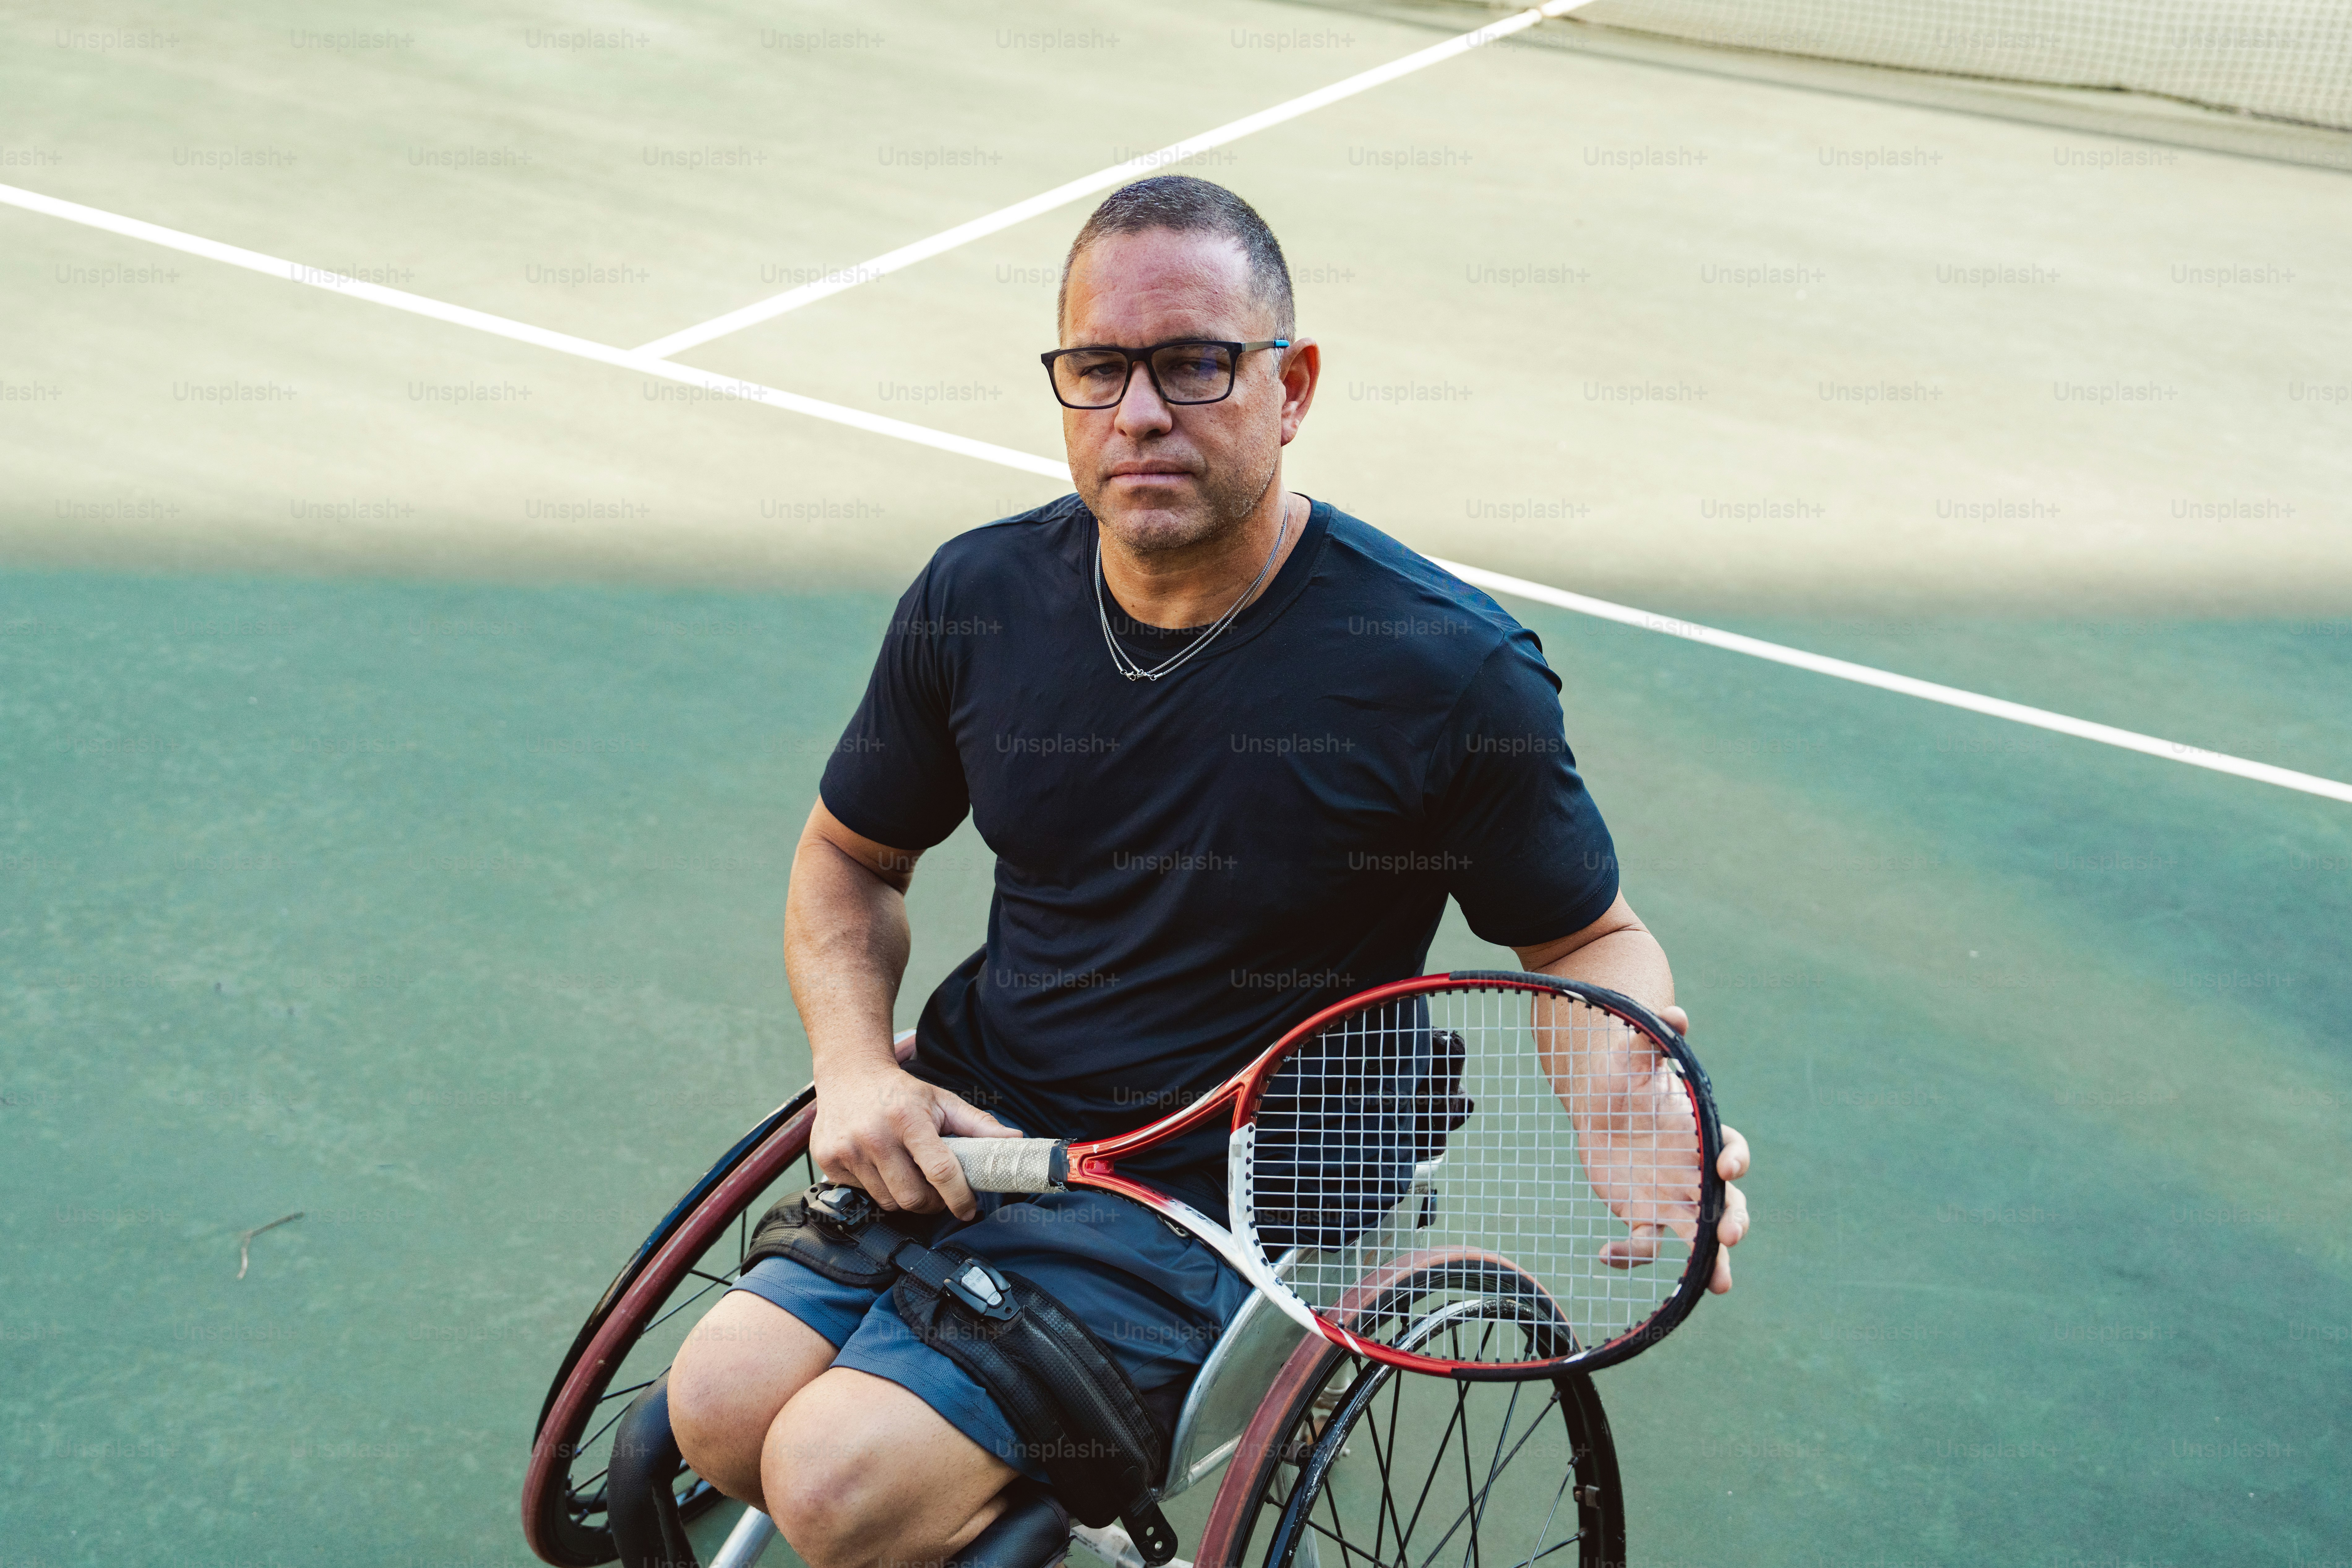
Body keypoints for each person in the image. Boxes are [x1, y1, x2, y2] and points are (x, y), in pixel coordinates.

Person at [667, 175, 1753, 1568]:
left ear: (1290, 386)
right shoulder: (976, 598)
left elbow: (1587, 937)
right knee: (712, 1408)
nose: (1139, 413)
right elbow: (846, 860)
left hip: (1234, 1190)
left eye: (1194, 363)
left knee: (829, 1480)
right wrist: (853, 1066)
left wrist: (1622, 1089)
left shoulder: (1439, 668)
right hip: (978, 1123)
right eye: (1098, 368)